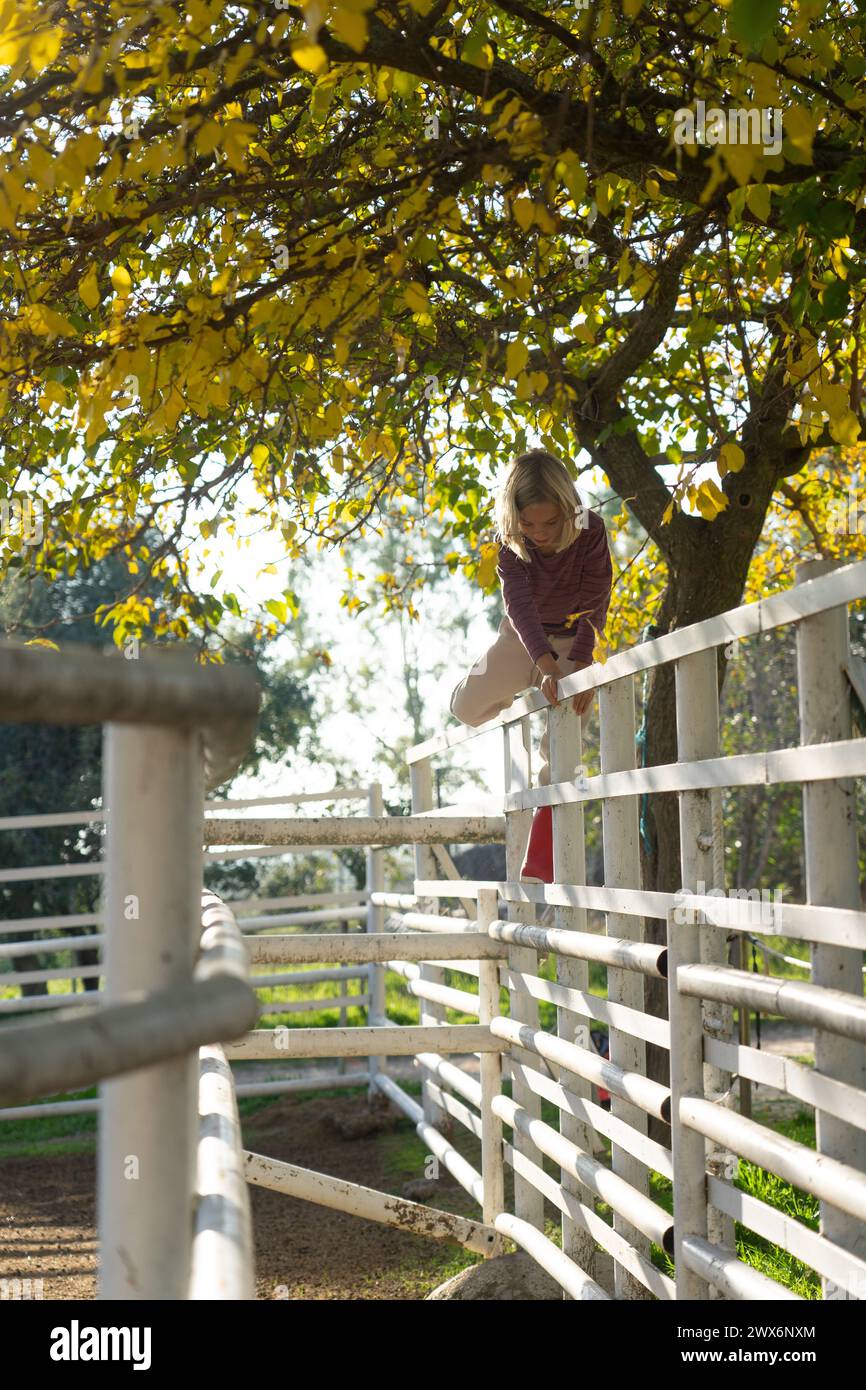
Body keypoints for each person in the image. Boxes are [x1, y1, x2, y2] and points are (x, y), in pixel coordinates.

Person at [448, 449, 613, 883]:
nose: (538, 533)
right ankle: (514, 690)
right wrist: (540, 668)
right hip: (522, 639)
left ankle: (541, 860)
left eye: (550, 523)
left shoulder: (591, 531)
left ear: (568, 510)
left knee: (561, 747)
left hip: (573, 641)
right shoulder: (507, 541)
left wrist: (579, 666)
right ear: (513, 516)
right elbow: (518, 606)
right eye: (529, 524)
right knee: (465, 709)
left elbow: (596, 599)